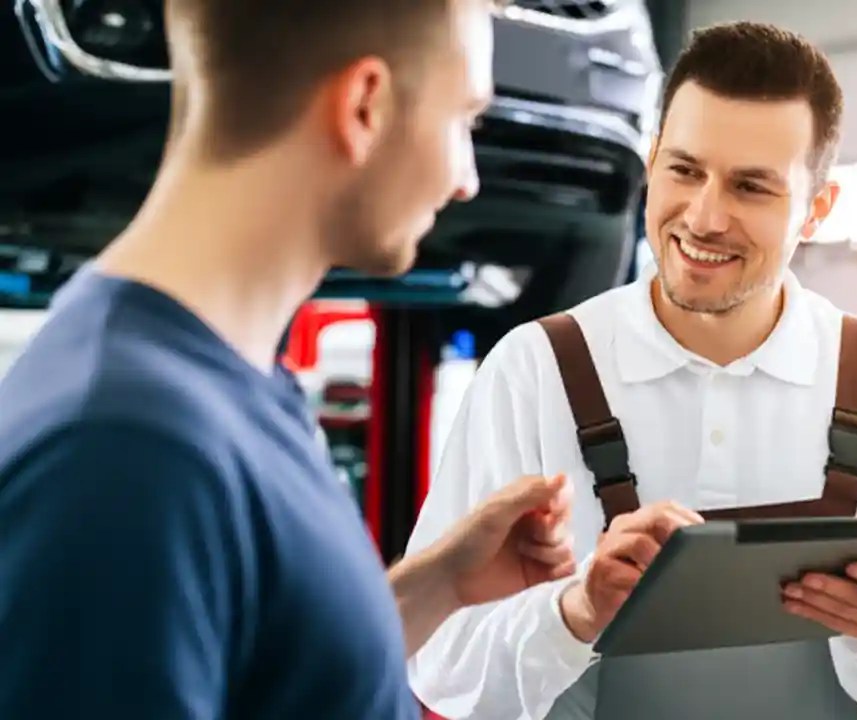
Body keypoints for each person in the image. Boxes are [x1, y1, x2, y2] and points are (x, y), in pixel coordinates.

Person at [404, 20, 857, 720]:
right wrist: (572, 615)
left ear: (816, 210)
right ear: (652, 162)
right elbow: (443, 665)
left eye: (752, 187)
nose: (705, 217)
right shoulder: (536, 371)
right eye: (684, 170)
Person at [0, 0, 575, 718]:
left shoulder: (207, 390)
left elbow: (272, 679)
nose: (467, 179)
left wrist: (442, 584)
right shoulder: (124, 453)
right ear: (365, 104)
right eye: (464, 118)